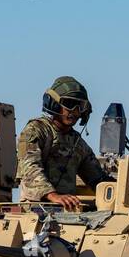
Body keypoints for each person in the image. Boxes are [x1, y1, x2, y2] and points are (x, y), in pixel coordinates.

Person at [17, 76, 110, 211]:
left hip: (67, 210)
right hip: (35, 209)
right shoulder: (36, 130)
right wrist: (53, 195)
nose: (75, 111)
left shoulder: (77, 143)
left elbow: (98, 179)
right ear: (54, 103)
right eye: (69, 104)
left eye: (80, 106)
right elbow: (30, 168)